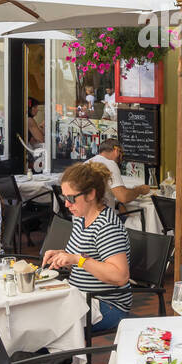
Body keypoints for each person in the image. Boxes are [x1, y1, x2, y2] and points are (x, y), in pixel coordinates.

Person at [42, 161, 131, 333]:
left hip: (107, 305)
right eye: (64, 198)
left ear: (90, 194)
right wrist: (63, 256)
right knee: (38, 314)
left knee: (47, 327)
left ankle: (56, 359)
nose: (67, 204)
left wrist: (77, 259)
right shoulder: (81, 218)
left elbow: (120, 276)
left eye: (70, 198)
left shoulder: (107, 226)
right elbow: (84, 257)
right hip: (82, 297)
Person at [88, 138, 150, 209]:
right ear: (117, 151)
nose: (121, 159)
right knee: (136, 217)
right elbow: (124, 197)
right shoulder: (110, 164)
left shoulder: (87, 162)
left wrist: (117, 204)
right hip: (103, 217)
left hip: (82, 218)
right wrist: (140, 189)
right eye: (122, 154)